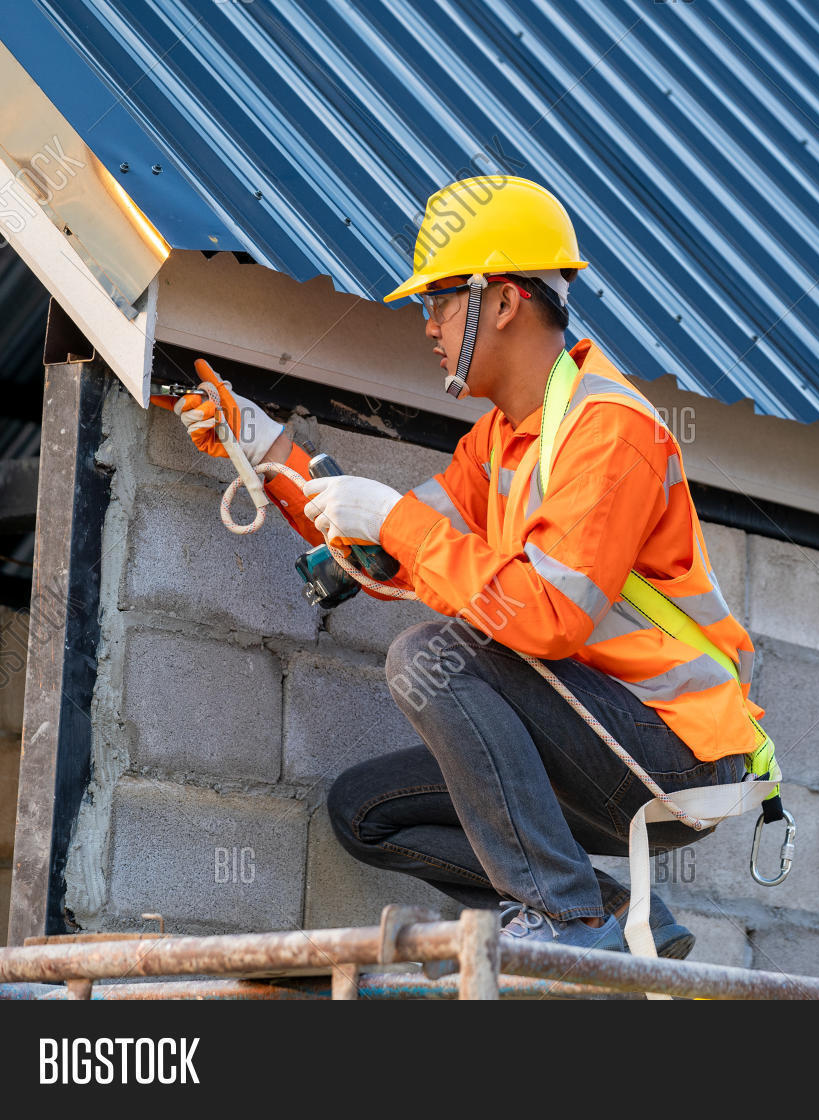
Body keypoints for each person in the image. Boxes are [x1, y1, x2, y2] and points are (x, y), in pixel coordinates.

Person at [159, 176, 766, 957]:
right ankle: (611, 912)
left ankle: (571, 923)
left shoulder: (608, 431)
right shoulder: (502, 441)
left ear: (503, 300)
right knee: (366, 811)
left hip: (678, 753)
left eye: (439, 302)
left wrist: (397, 520)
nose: (429, 327)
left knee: (429, 661)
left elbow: (547, 619)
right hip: (593, 738)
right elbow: (385, 552)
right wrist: (265, 443)